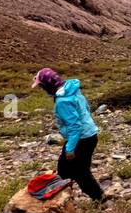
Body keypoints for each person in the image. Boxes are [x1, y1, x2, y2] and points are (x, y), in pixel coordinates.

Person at [31, 67, 104, 201]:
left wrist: (70, 148)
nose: (42, 89)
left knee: (72, 171)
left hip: (81, 139)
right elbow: (86, 107)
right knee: (74, 170)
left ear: (48, 85)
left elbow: (74, 126)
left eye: (42, 86)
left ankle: (96, 198)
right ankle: (92, 197)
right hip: (89, 134)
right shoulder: (72, 89)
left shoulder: (62, 101)